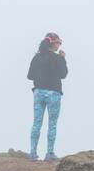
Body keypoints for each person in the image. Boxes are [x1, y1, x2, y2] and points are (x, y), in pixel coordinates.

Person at [27, 32, 67, 161]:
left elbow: (30, 76)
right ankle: (49, 153)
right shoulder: (58, 58)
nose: (59, 45)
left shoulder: (37, 57)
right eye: (58, 43)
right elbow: (63, 74)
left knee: (36, 123)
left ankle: (32, 153)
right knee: (52, 124)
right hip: (53, 93)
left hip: (39, 92)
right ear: (53, 43)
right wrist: (63, 59)